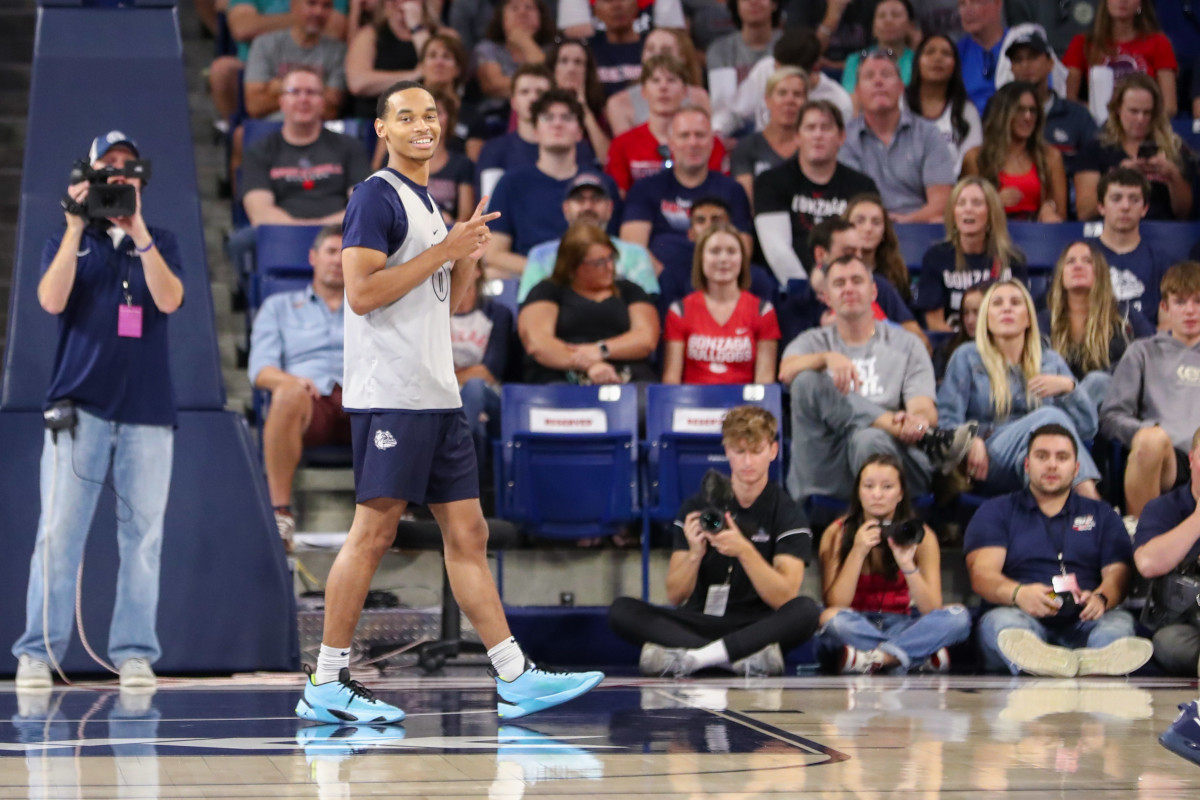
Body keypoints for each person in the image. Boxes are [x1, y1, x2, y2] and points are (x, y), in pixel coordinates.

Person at [297, 80, 603, 724]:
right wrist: (444, 250)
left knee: (469, 533)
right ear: (381, 130)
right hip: (393, 393)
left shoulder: (429, 203)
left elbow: (453, 303)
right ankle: (326, 681)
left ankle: (514, 676)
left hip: (436, 393)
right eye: (405, 116)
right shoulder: (374, 197)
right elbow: (362, 293)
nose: (421, 124)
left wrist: (465, 256)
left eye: (430, 114)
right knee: (374, 532)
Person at [13, 131, 185, 691]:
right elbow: (50, 300)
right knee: (58, 533)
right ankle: (37, 652)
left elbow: (170, 300)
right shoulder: (71, 241)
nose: (118, 174)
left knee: (143, 539)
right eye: (106, 166)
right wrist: (72, 227)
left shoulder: (160, 239)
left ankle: (135, 653)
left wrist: (138, 235)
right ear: (88, 177)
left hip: (147, 411)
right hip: (78, 407)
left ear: (141, 177)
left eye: (127, 166)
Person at [608, 405, 821, 677]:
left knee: (805, 611)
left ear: (773, 451)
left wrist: (745, 550)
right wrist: (695, 554)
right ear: (727, 450)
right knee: (622, 610)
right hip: (702, 619)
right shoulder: (697, 507)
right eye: (739, 451)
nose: (747, 462)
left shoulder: (788, 513)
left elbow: (784, 597)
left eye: (756, 452)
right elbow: (676, 594)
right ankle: (731, 662)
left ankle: (694, 659)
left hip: (756, 625)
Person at [779, 254, 975, 502]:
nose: (849, 288)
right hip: (828, 467)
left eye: (857, 280)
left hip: (891, 463)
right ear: (826, 297)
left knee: (869, 439)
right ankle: (913, 434)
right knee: (806, 379)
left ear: (873, 292)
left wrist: (917, 421)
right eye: (839, 284)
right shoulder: (811, 342)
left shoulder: (907, 344)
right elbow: (785, 372)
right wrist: (825, 358)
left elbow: (924, 407)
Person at [965, 423, 1153, 677]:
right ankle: (1042, 661)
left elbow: (1118, 573)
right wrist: (1018, 593)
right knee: (1002, 624)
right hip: (1020, 615)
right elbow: (982, 575)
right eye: (1042, 456)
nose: (1052, 465)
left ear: (1076, 469)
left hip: (1084, 620)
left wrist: (1101, 598)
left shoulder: (1102, 514)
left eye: (1062, 457)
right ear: (1027, 465)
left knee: (1117, 625)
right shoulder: (996, 511)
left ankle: (1094, 663)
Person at [938, 280, 1103, 498]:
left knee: (1042, 452)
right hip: (988, 461)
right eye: (997, 303)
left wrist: (1068, 388)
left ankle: (1063, 522)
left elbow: (1087, 430)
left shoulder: (1050, 361)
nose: (1007, 308)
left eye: (1015, 302)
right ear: (986, 318)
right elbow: (946, 421)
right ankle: (1095, 509)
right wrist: (971, 440)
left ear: (1028, 318)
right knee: (1050, 418)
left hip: (1037, 460)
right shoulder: (967, 357)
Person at [817, 454, 971, 673]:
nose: (877, 495)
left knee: (959, 617)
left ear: (900, 494)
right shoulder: (836, 533)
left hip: (902, 623)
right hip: (856, 622)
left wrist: (907, 564)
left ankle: (878, 659)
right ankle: (914, 655)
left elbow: (931, 608)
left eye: (887, 487)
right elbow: (835, 604)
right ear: (858, 492)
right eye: (869, 486)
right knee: (830, 619)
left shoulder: (921, 535)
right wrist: (857, 552)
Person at [248, 225, 349, 551]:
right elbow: (260, 371)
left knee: (399, 396)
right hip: (309, 404)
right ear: (313, 257)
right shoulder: (278, 306)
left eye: (345, 253)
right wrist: (291, 381)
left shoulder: (373, 307)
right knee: (286, 393)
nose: (337, 260)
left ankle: (401, 513)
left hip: (362, 402)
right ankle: (280, 513)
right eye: (331, 251)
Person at [230, 67, 370, 279]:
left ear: (322, 102)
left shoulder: (350, 147)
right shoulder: (259, 151)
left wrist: (323, 230)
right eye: (295, 92)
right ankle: (252, 299)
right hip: (280, 233)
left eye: (312, 93)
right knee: (242, 241)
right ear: (281, 101)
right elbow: (259, 212)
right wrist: (306, 230)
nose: (303, 99)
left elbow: (362, 207)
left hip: (340, 233)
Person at [1100, 261, 1200, 519]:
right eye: (1180, 302)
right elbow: (1111, 417)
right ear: (1165, 308)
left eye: (1198, 301)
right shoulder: (1142, 351)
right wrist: (1150, 431)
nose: (1190, 311)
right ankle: (1141, 537)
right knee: (1149, 439)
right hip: (1168, 459)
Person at [518, 222, 660, 384]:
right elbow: (538, 343)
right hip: (561, 374)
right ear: (572, 266)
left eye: (611, 258)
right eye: (599, 263)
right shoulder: (547, 290)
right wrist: (589, 365)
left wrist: (601, 350)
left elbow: (646, 339)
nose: (609, 266)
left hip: (627, 375)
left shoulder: (630, 290)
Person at [753, 99, 878, 282]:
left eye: (826, 128)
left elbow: (867, 247)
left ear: (841, 137)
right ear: (797, 136)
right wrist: (810, 291)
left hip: (848, 285)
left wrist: (840, 287)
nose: (818, 135)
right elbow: (777, 250)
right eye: (810, 128)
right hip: (789, 289)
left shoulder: (862, 187)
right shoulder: (770, 182)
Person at [619, 108, 751, 277]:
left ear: (712, 142)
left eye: (700, 135)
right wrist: (669, 282)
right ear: (671, 143)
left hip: (719, 282)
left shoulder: (732, 189)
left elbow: (743, 249)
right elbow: (634, 250)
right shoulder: (644, 189)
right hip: (661, 284)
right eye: (684, 136)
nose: (693, 143)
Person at [839, 51, 955, 223]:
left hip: (918, 226)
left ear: (901, 87)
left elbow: (941, 203)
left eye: (886, 75)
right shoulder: (843, 139)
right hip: (862, 228)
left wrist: (905, 221)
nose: (878, 82)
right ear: (857, 92)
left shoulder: (929, 134)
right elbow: (845, 201)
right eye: (869, 76)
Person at [1039, 241, 1153, 408]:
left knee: (1098, 381)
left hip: (1111, 407)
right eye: (1070, 262)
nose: (1078, 266)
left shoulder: (1126, 316)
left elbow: (1149, 356)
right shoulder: (1042, 320)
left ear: (1100, 272)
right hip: (1057, 405)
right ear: (1060, 275)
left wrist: (1076, 388)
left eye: (1087, 261)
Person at [662, 223, 780, 385]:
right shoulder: (680, 311)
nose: (723, 259)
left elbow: (765, 380)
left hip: (743, 407)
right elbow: (671, 380)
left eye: (731, 252)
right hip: (692, 406)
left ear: (742, 259)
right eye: (715, 251)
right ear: (701, 258)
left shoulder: (763, 311)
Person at [517, 172, 658, 302]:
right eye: (579, 199)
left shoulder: (635, 254)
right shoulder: (540, 255)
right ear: (565, 209)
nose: (587, 206)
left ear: (610, 208)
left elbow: (647, 308)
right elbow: (530, 309)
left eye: (596, 199)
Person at [1074, 73, 1193, 222]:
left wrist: (1173, 176)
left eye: (1147, 112)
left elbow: (1185, 213)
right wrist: (1118, 175)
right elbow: (1085, 211)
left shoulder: (1174, 148)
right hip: (1111, 231)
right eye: (1133, 111)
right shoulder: (1095, 149)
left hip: (1163, 229)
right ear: (1118, 109)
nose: (1140, 119)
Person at [604, 55, 728, 196]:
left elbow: (719, 191)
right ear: (643, 92)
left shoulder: (708, 143)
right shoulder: (622, 144)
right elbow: (618, 197)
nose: (663, 87)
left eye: (671, 80)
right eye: (655, 81)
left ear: (685, 91)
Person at [916, 177, 1028, 333]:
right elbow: (935, 324)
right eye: (961, 203)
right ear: (953, 213)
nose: (968, 209)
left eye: (976, 203)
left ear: (991, 212)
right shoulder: (936, 257)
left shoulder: (1012, 259)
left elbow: (1020, 315)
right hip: (953, 345)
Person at [209, 0, 349, 124]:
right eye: (311, 4)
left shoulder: (338, 51)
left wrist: (282, 88)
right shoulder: (264, 44)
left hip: (318, 130)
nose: (318, 12)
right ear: (293, 6)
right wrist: (316, 93)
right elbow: (255, 106)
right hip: (271, 128)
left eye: (326, 6)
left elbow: (331, 110)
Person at [1132, 426, 1200, 677]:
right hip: (1185, 623)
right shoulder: (1163, 509)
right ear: (1191, 459)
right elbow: (1148, 563)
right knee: (1168, 643)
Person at [715, 27, 854, 139]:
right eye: (776, 66)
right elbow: (734, 112)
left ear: (815, 68)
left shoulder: (838, 101)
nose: (776, 74)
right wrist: (716, 132)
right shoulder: (766, 68)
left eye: (785, 71)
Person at [962, 81, 1067, 222]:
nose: (1028, 117)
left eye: (1033, 110)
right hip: (990, 237)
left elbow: (1061, 215)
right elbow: (964, 214)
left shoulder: (1051, 157)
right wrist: (993, 204)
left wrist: (1050, 210)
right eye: (1020, 110)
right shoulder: (976, 158)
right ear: (1003, 114)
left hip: (1038, 237)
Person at [1005, 29, 1097, 182]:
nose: (1025, 65)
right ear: (1012, 69)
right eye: (1018, 60)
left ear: (1050, 63)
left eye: (1033, 57)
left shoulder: (1077, 115)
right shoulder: (999, 113)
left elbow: (1096, 164)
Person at [1062, 0, 1177, 120]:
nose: (1122, 1)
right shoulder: (1082, 43)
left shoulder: (1159, 42)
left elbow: (1170, 107)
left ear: (1140, 3)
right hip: (1097, 125)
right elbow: (1068, 99)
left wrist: (1138, 117)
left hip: (1143, 124)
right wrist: (1099, 113)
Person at [451, 264, 513, 482]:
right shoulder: (432, 315)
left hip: (489, 395)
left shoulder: (497, 314)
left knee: (476, 387)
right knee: (476, 427)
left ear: (477, 271)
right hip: (447, 396)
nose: (454, 272)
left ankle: (453, 463)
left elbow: (488, 372)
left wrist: (450, 376)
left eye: (461, 265)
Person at [1090, 167, 1170, 326]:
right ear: (1101, 207)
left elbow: (1170, 322)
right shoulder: (1082, 258)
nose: (1125, 206)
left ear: (1145, 208)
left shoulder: (1162, 263)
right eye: (1116, 198)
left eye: (1134, 199)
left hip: (1147, 347)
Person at [345, 0, 447, 119]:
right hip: (375, 120)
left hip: (425, 119)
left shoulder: (442, 35)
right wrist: (414, 75)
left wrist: (416, 27)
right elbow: (357, 82)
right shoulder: (369, 35)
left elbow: (436, 72)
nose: (402, 3)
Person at [605, 27, 711, 137]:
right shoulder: (618, 102)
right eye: (650, 49)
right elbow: (625, 150)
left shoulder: (699, 97)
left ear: (683, 58)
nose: (656, 55)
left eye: (665, 51)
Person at [902, 32, 982, 176]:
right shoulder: (900, 104)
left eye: (946, 54)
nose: (938, 58)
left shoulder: (966, 110)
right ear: (917, 62)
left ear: (955, 66)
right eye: (930, 52)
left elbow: (972, 159)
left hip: (953, 188)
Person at [731, 66, 807, 205]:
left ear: (806, 101)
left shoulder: (812, 147)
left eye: (797, 94)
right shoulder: (746, 147)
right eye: (782, 93)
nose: (790, 100)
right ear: (767, 99)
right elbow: (746, 201)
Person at [706, 0, 784, 133]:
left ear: (774, 3)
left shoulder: (789, 46)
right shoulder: (720, 50)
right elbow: (723, 106)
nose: (753, 2)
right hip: (734, 131)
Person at [471, 0, 555, 100]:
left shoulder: (553, 50)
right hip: (498, 112)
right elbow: (494, 84)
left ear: (541, 17)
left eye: (529, 8)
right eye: (514, 8)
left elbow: (552, 82)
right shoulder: (488, 48)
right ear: (502, 18)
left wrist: (526, 43)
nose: (522, 13)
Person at [843, 193, 912, 311]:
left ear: (884, 233)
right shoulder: (833, 270)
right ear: (845, 228)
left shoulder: (897, 273)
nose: (868, 228)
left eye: (876, 222)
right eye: (860, 221)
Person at [549, 39, 612, 163]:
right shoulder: (537, 104)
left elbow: (607, 159)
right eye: (564, 61)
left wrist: (583, 107)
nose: (571, 69)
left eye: (578, 62)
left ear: (587, 71)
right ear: (554, 69)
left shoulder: (600, 107)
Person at [840, 0, 917, 93]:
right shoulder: (855, 60)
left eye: (896, 15)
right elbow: (850, 96)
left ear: (910, 26)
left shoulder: (917, 61)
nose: (888, 21)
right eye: (881, 16)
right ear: (873, 28)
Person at [956, 0, 1008, 114]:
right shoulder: (955, 55)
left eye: (976, 2)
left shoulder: (1021, 45)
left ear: (998, 3)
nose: (968, 11)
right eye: (962, 4)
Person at [932, 280, 987, 382]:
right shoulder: (946, 351)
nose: (970, 320)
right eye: (965, 313)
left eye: (977, 312)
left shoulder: (1008, 349)